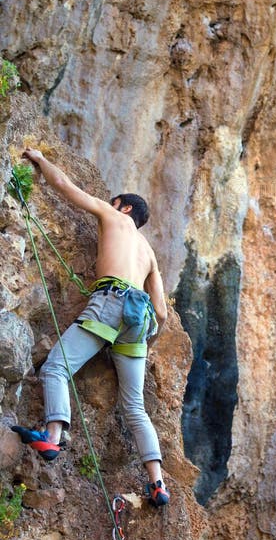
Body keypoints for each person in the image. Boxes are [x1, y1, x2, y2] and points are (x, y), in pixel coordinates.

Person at [11, 148, 171, 507]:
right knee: (135, 408)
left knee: (55, 367)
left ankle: (54, 435)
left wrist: (38, 158)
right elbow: (161, 310)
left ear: (125, 208)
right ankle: (158, 483)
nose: (109, 207)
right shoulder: (149, 253)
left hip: (111, 301)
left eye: (114, 203)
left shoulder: (116, 219)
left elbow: (65, 185)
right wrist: (148, 340)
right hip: (139, 318)